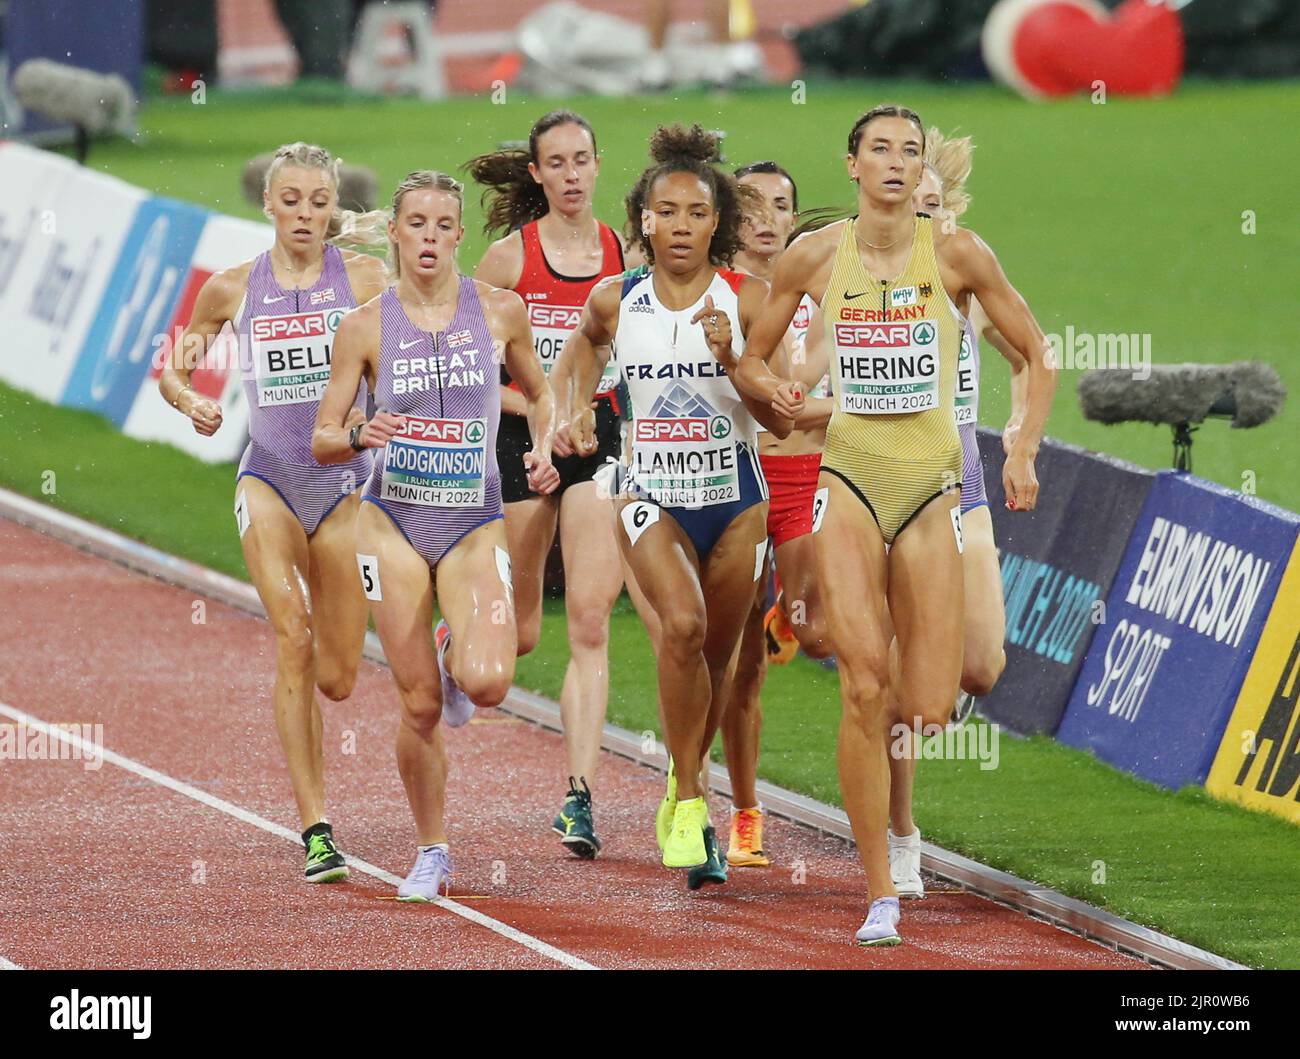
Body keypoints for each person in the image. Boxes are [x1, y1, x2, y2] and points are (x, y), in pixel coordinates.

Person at [736, 104, 1054, 944]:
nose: (896, 164)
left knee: (929, 703)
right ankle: (879, 886)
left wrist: (1020, 451)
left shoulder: (955, 256)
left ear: (922, 171)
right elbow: (754, 363)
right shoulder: (814, 255)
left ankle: (898, 822)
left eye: (909, 152)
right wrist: (779, 402)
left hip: (936, 488)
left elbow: (1036, 353)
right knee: (864, 687)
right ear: (852, 163)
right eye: (881, 149)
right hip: (848, 481)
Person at [312, 170, 558, 901]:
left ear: (458, 235)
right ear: (394, 232)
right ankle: (432, 848)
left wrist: (543, 446)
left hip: (474, 520)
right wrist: (360, 430)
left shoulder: (502, 312)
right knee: (419, 704)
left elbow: (542, 394)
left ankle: (458, 648)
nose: (427, 236)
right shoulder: (362, 326)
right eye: (413, 223)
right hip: (388, 522)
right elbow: (324, 435)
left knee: (489, 679)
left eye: (441, 224)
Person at [561, 124, 793, 889]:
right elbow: (576, 358)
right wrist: (565, 416)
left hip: (735, 499)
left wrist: (735, 360)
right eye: (668, 212)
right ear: (645, 222)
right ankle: (691, 801)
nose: (682, 226)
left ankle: (681, 775)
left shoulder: (751, 298)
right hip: (647, 491)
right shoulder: (613, 300)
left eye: (698, 213)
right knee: (683, 628)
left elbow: (783, 418)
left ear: (716, 223)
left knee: (720, 660)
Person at [159, 141, 388, 884]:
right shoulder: (232, 288)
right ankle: (316, 827)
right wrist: (192, 398)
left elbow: (409, 354)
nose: (304, 215)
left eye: (319, 203)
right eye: (291, 201)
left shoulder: (362, 277)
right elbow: (176, 364)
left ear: (333, 207)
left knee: (340, 676)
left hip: (345, 485)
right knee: (292, 634)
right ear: (268, 203)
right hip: (268, 479)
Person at [467, 111, 639, 859]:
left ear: (599, 166)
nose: (571, 175)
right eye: (556, 164)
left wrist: (586, 420)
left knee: (592, 620)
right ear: (535, 175)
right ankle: (455, 638)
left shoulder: (627, 256)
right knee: (521, 636)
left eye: (582, 160)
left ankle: (578, 796)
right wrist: (541, 418)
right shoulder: (508, 262)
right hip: (519, 442)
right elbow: (467, 368)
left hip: (596, 446)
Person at [887, 130, 1030, 898]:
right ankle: (901, 832)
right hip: (886, 495)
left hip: (965, 487)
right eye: (912, 208)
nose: (926, 224)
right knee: (907, 688)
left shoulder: (963, 272)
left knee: (981, 665)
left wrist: (1021, 434)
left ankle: (937, 682)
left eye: (935, 208)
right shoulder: (853, 277)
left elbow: (1030, 355)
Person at [719, 160, 835, 869]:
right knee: (738, 671)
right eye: (751, 204)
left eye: (781, 205)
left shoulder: (823, 293)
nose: (767, 217)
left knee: (818, 632)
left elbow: (818, 387)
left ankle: (780, 616)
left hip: (806, 474)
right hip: (739, 478)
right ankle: (742, 810)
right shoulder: (710, 295)